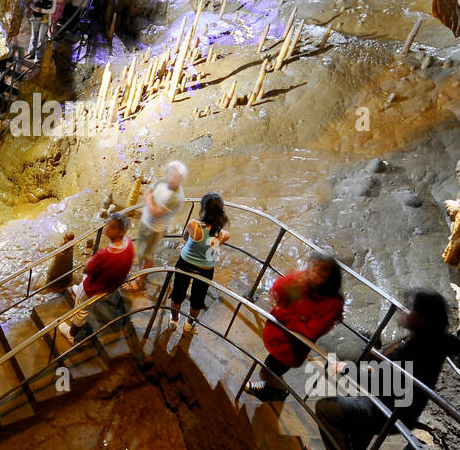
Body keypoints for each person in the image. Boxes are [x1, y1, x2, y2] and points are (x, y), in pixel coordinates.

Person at [307, 289, 460, 450]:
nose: (402, 311)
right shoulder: (435, 339)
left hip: (389, 412)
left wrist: (347, 368)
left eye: (409, 309)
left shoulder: (416, 350)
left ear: (423, 319)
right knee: (358, 418)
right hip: (402, 408)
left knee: (326, 409)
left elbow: (375, 382)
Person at [245, 252, 345, 402]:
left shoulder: (331, 305)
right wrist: (291, 282)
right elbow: (279, 291)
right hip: (278, 335)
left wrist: (282, 314)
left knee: (268, 371)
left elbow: (310, 331)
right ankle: (274, 389)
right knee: (271, 369)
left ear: (330, 280)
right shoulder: (304, 282)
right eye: (313, 270)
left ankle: (279, 391)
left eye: (321, 275)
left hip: (291, 347)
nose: (314, 276)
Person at [60, 213, 134, 344]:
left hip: (92, 289)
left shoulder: (105, 255)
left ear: (121, 231)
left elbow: (87, 269)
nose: (107, 228)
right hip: (110, 286)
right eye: (108, 224)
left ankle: (71, 334)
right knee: (84, 282)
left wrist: (90, 262)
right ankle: (79, 295)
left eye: (112, 227)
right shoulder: (129, 244)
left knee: (81, 310)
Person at [168, 192, 230, 334]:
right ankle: (189, 324)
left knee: (178, 294)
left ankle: (174, 320)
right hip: (205, 269)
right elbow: (214, 244)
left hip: (185, 263)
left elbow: (185, 237)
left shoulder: (193, 224)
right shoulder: (224, 235)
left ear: (203, 210)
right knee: (198, 299)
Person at [125, 161, 189, 290]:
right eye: (170, 175)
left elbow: (155, 212)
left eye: (175, 177)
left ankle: (141, 282)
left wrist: (150, 200)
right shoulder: (162, 181)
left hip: (155, 228)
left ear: (181, 179)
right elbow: (147, 193)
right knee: (142, 251)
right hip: (145, 221)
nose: (170, 179)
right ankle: (140, 272)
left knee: (147, 254)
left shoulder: (176, 197)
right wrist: (150, 201)